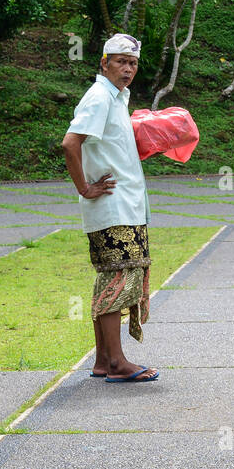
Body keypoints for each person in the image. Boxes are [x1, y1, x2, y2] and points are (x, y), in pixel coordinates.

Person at [62, 33, 158, 383]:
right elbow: (70, 143)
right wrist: (85, 188)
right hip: (112, 207)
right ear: (104, 63)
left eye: (132, 63)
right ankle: (118, 363)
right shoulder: (100, 96)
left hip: (127, 204)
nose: (128, 68)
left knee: (111, 277)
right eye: (120, 61)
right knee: (117, 279)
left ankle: (104, 360)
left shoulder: (117, 97)